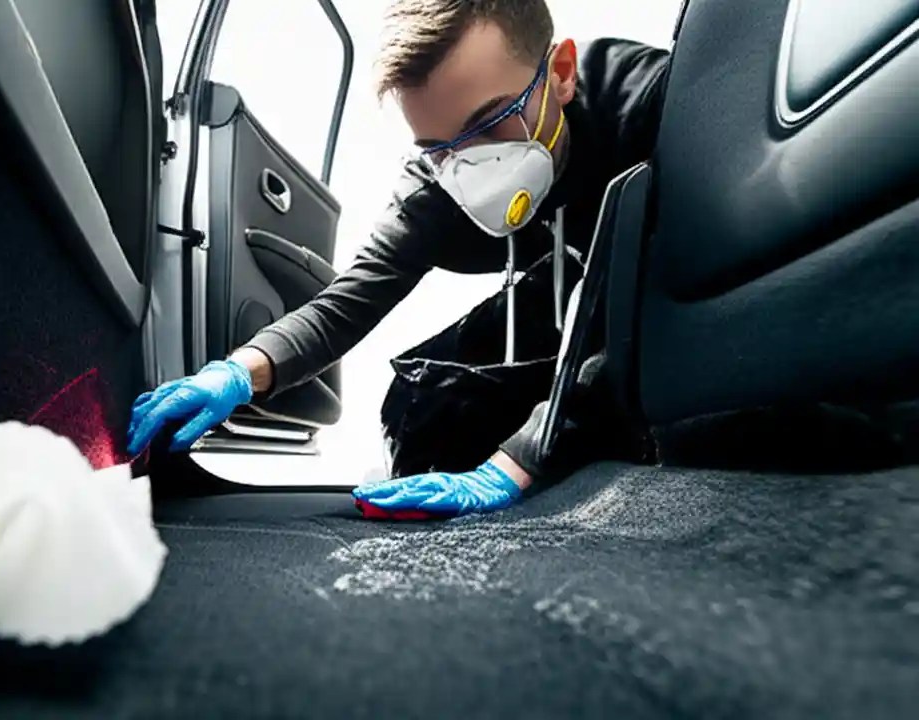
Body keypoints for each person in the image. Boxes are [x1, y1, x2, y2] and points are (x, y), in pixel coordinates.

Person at [128, 0, 669, 517]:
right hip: (558, 284)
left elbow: (668, 299)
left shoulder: (657, 105)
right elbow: (348, 301)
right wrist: (236, 374)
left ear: (561, 72)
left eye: (491, 122)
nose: (472, 167)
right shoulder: (434, 189)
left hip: (658, 286)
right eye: (439, 146)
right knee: (427, 404)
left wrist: (514, 465)